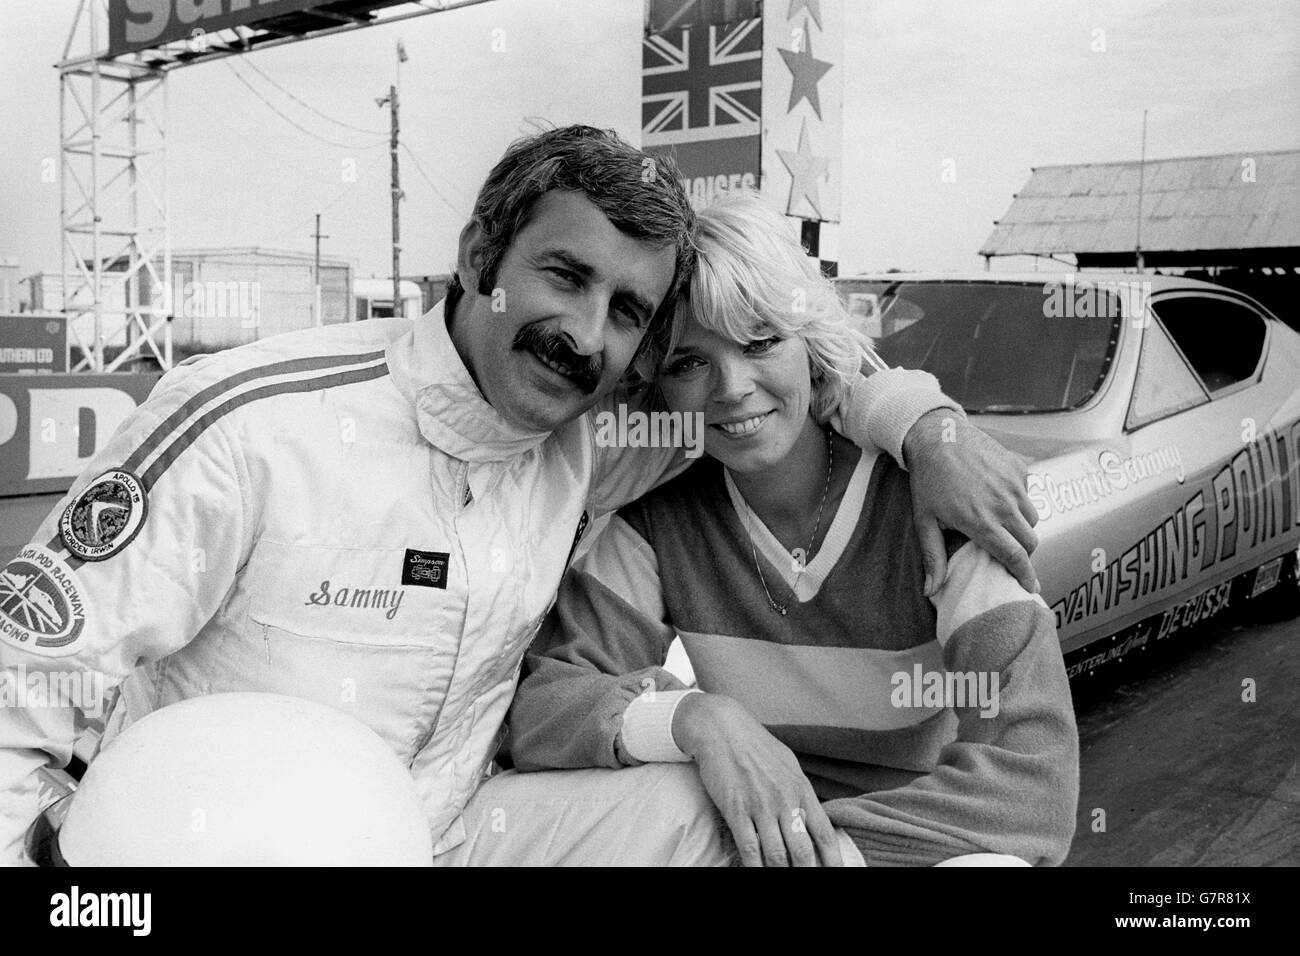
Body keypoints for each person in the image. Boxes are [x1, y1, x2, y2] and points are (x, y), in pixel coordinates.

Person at [0, 126, 1037, 866]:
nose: (586, 334)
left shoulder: (608, 436)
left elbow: (767, 383)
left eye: (626, 309)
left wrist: (922, 425)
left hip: (460, 829)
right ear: (477, 257)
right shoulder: (248, 422)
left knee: (703, 806)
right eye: (563, 275)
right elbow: (15, 684)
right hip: (237, 843)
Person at [470, 191, 1079, 867]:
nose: (731, 386)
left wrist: (800, 847)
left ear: (811, 348)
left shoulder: (935, 503)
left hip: (909, 845)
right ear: (656, 387)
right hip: (755, 832)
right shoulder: (657, 522)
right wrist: (698, 718)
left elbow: (1032, 794)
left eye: (761, 341)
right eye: (688, 363)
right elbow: (544, 706)